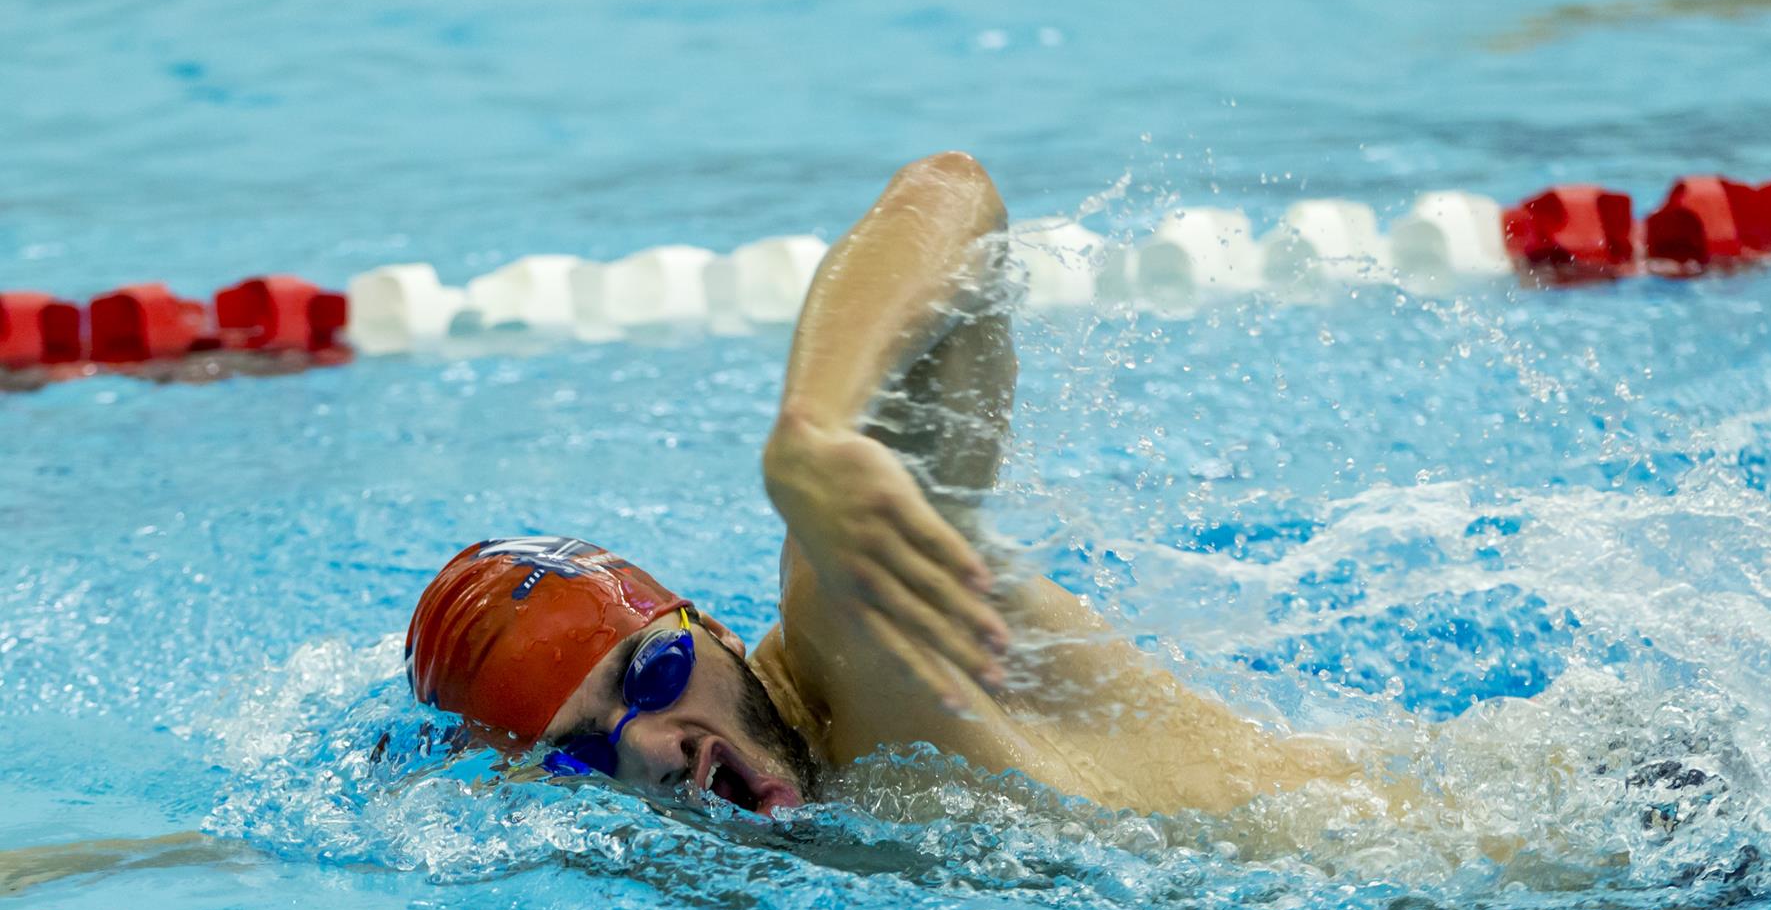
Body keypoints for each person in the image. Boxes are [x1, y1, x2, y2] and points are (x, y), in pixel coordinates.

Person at [407, 152, 1382, 821]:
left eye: (654, 674)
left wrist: (811, 437)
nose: (658, 748)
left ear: (707, 629)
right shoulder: (811, 808)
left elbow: (953, 195)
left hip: (1491, 876)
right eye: (586, 755)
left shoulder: (858, 610)